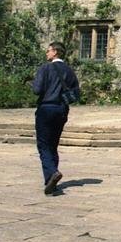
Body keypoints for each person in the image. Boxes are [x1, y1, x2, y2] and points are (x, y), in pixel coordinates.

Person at [31, 42, 79, 195]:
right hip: (61, 109)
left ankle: (52, 173)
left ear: (55, 52)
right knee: (53, 145)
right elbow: (76, 92)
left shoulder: (45, 68)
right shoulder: (69, 71)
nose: (46, 53)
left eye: (48, 51)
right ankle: (51, 183)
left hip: (46, 108)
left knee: (43, 145)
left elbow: (37, 90)